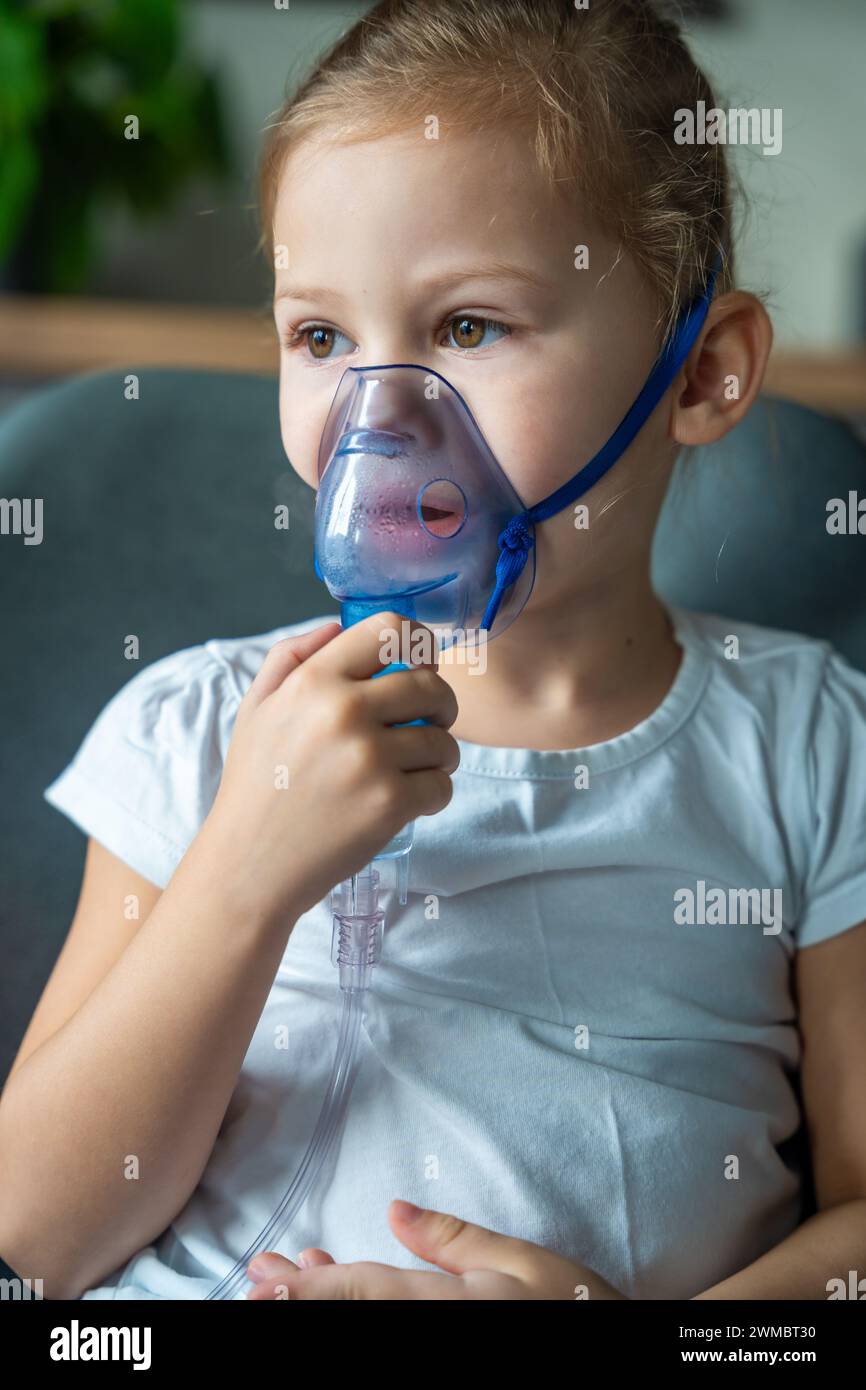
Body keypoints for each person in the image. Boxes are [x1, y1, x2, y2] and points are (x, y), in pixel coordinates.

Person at [2, 0, 865, 1301]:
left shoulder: (806, 748)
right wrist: (242, 873)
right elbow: (31, 1236)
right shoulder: (192, 733)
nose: (380, 416)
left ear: (697, 376)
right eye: (322, 338)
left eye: (468, 326)